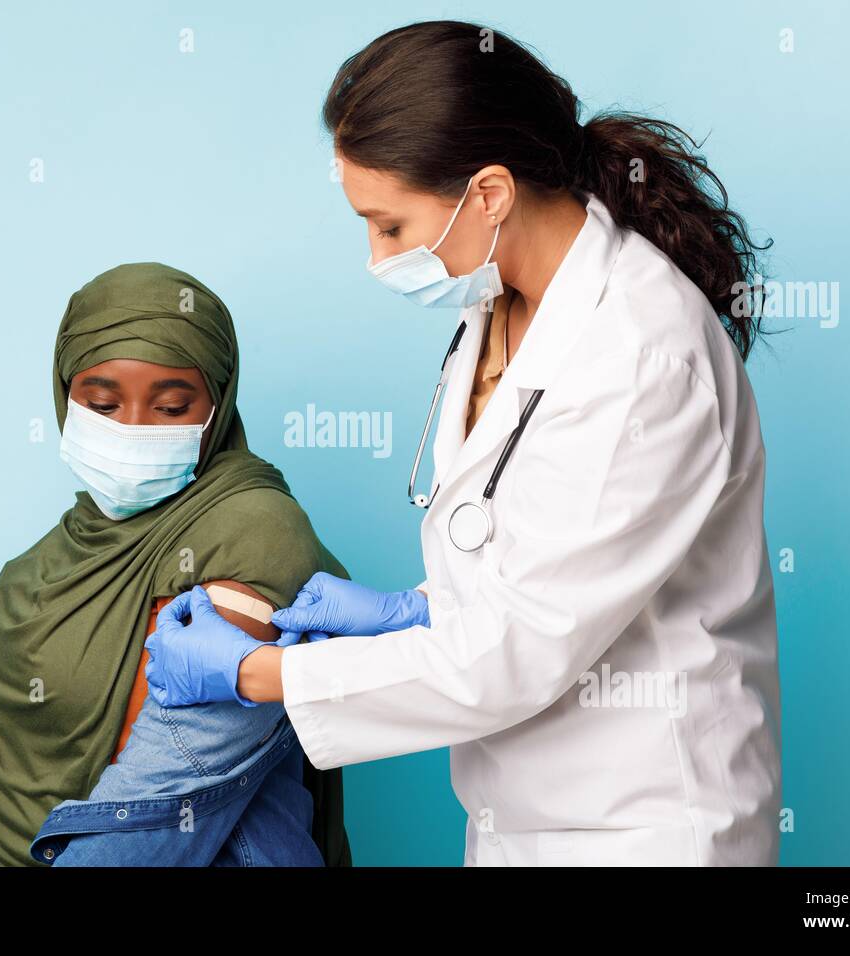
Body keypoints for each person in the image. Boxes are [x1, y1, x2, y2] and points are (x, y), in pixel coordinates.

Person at [143, 21, 783, 866]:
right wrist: (419, 611)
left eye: (390, 226)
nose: (375, 257)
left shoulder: (642, 352)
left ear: (487, 194)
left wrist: (255, 677)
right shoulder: (500, 303)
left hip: (645, 826)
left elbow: (517, 652)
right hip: (521, 814)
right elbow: (537, 561)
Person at [0, 262, 352, 867]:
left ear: (217, 409)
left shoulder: (253, 531)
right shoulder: (40, 569)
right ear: (65, 397)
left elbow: (165, 794)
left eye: (170, 408)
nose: (131, 429)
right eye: (103, 404)